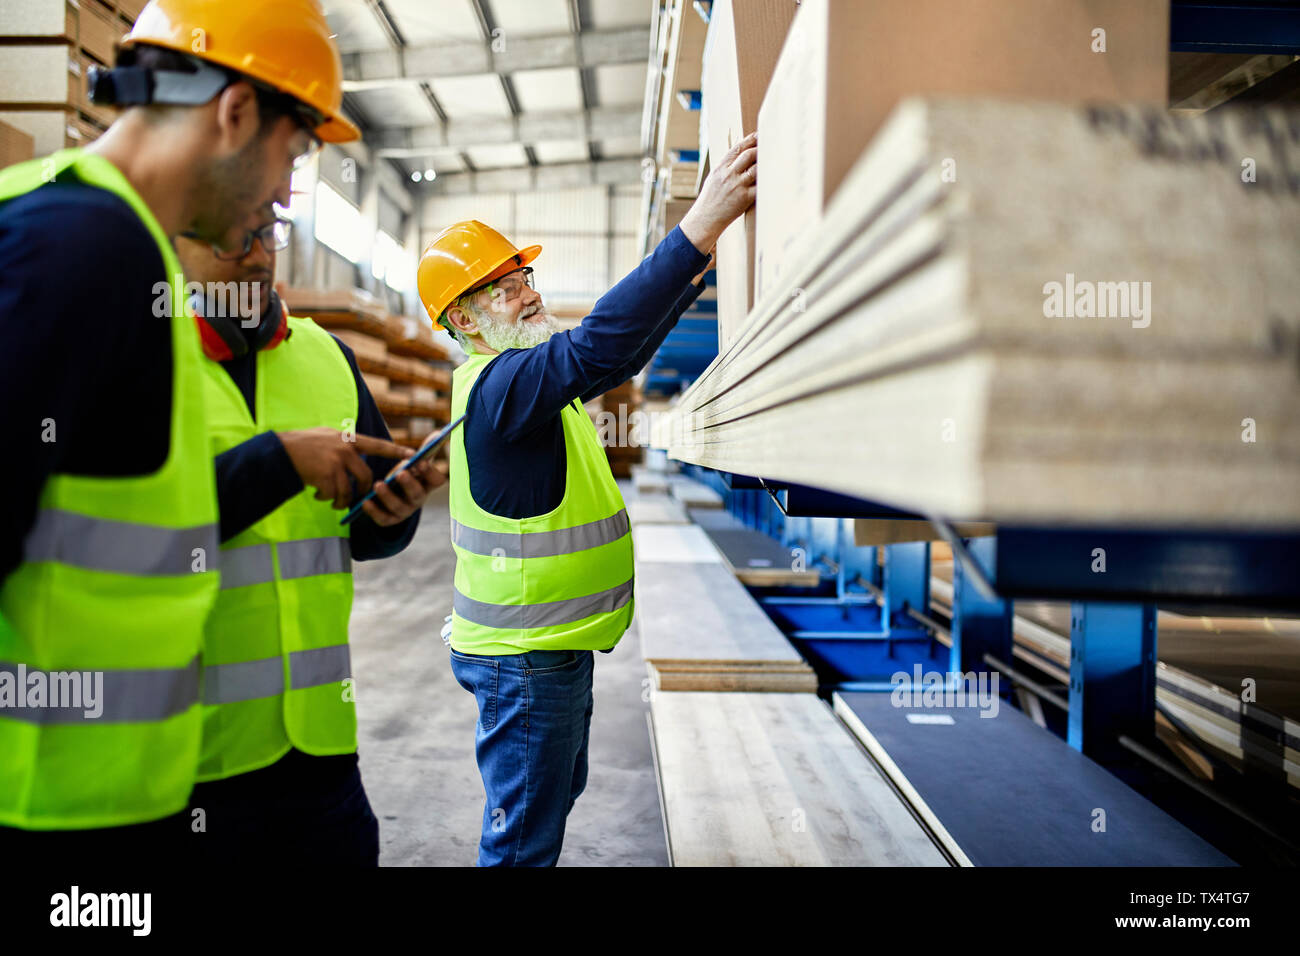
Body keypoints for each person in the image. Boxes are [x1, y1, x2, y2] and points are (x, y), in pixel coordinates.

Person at [0, 0, 399, 858]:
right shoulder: (81, 246)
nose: (284, 196)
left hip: (114, 795)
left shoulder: (118, 251)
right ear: (235, 112)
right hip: (47, 809)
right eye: (294, 157)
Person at [418, 132, 758, 865]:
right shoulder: (503, 388)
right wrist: (698, 226)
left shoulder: (522, 383)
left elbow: (621, 356)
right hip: (523, 661)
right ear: (466, 320)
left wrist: (698, 261)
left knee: (544, 812)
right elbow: (600, 346)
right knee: (520, 847)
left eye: (526, 277)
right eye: (507, 288)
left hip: (548, 653)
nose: (531, 292)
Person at [173, 208, 445, 866]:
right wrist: (275, 463)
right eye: (234, 234)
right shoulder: (134, 357)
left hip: (321, 752)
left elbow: (363, 532)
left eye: (270, 233)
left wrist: (392, 515)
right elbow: (111, 525)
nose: (260, 253)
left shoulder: (328, 357)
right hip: (186, 764)